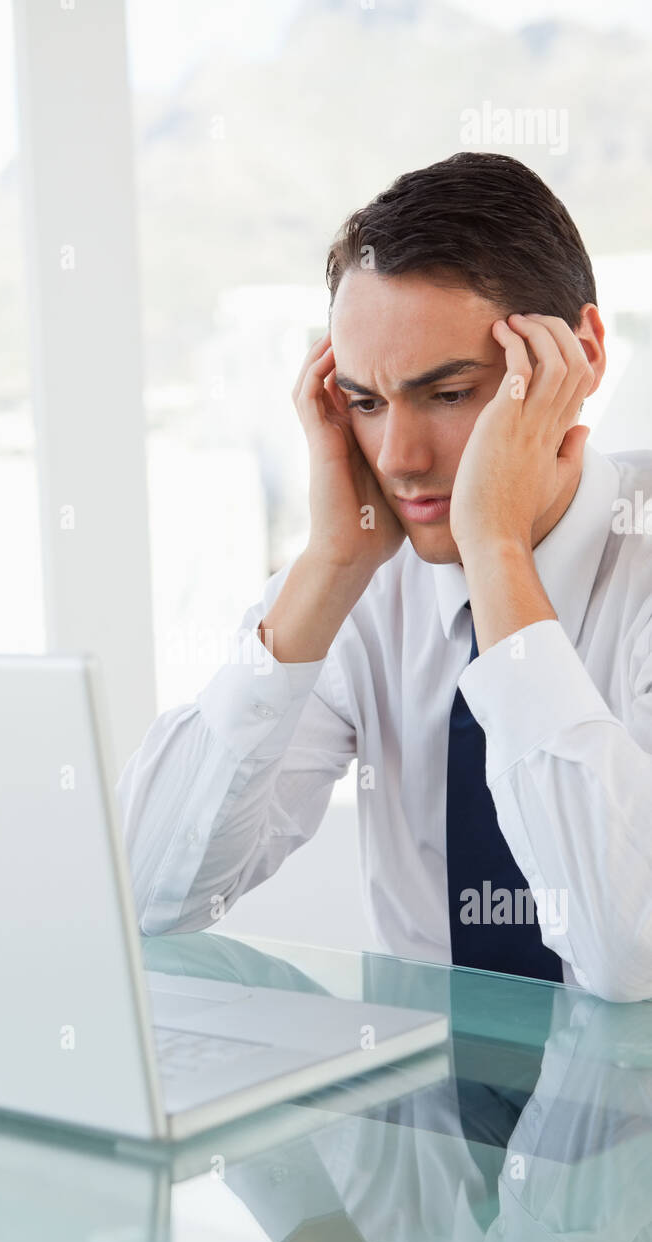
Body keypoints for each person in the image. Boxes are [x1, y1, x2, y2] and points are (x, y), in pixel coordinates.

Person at [116, 151, 652, 1004]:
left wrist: (499, 557)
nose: (400, 461)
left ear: (578, 358)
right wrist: (327, 568)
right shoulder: (366, 574)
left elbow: (631, 953)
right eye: (365, 402)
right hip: (423, 1126)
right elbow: (146, 893)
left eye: (449, 393)